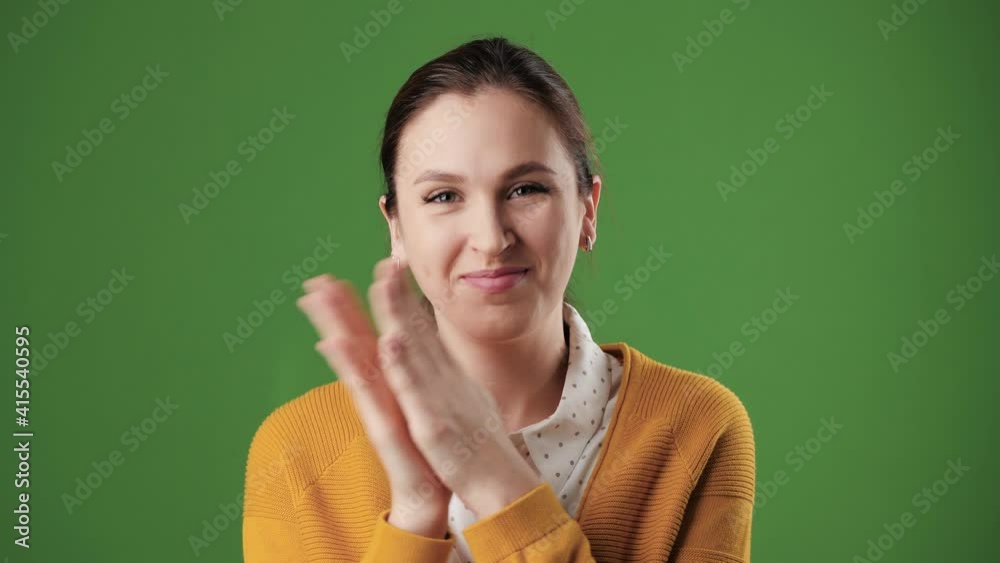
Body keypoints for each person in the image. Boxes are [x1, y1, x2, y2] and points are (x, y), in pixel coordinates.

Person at [242, 36, 755, 562]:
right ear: (395, 227)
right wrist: (416, 518)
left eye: (526, 189)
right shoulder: (295, 450)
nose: (490, 238)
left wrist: (495, 481)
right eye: (444, 196)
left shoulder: (696, 426)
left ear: (588, 209)